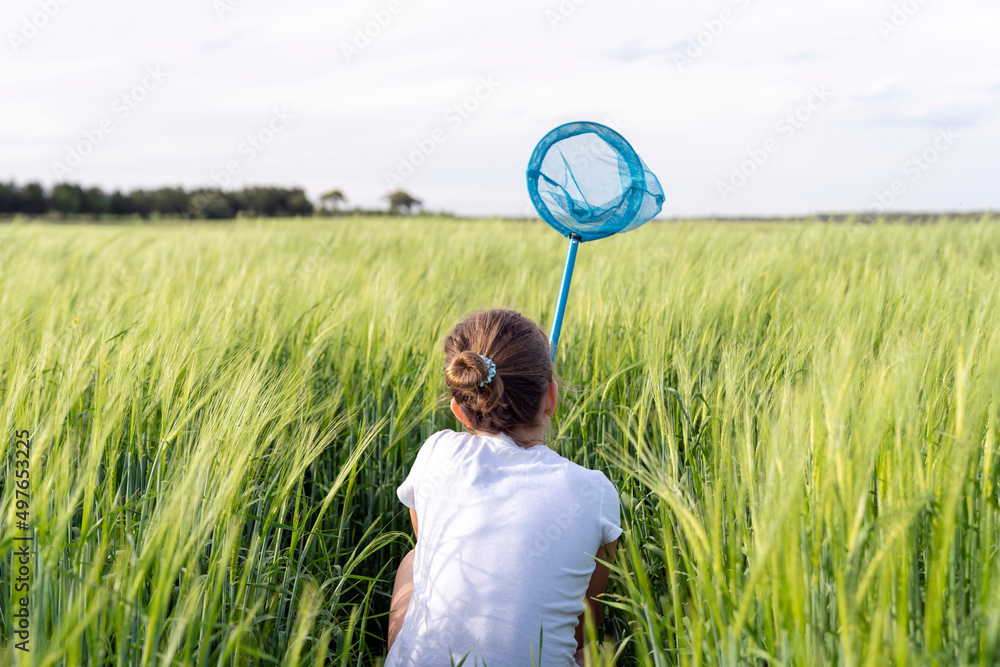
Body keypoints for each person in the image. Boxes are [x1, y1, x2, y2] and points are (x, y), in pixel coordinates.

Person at [385, 308, 622, 666]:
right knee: (597, 648)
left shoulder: (435, 452)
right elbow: (581, 630)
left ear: (459, 410)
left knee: (414, 560)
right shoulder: (594, 491)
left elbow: (429, 547)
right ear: (552, 398)